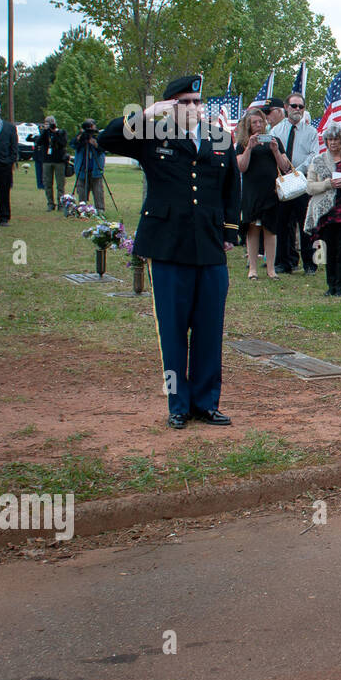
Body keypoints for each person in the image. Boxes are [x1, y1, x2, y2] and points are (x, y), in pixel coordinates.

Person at [97, 74, 242, 429]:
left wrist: (229, 232)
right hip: (168, 245)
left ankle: (206, 402)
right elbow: (107, 138)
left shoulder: (220, 138)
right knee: (174, 331)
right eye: (184, 102)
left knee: (209, 329)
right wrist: (148, 113)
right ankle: (178, 404)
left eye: (197, 101)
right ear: (169, 106)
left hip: (209, 245)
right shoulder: (150, 135)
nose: (192, 107)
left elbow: (231, 188)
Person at [304, 122, 341, 296]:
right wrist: (327, 184)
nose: (333, 143)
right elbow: (309, 187)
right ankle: (331, 286)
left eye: (336, 139)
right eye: (329, 139)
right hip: (325, 214)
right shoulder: (318, 161)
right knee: (327, 250)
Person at [236, 108, 289, 280]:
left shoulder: (275, 140)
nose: (258, 125)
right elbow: (241, 167)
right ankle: (252, 268)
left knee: (270, 230)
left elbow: (285, 167)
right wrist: (249, 148)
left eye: (261, 122)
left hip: (271, 192)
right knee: (253, 229)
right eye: (254, 123)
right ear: (248, 126)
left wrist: (275, 150)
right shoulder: (242, 143)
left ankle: (271, 269)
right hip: (252, 193)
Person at [269, 93, 319, 275]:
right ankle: (285, 262)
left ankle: (310, 263)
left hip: (302, 182)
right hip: (283, 183)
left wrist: (296, 169)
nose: (297, 110)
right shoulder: (275, 131)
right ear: (286, 107)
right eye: (294, 106)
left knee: (306, 224)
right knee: (282, 224)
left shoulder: (311, 132)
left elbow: (314, 155)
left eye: (301, 107)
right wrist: (285, 170)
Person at [71, 119, 105, 212]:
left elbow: (103, 149)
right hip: (82, 169)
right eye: (88, 126)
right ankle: (83, 209)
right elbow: (73, 145)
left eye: (91, 126)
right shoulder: (81, 136)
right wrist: (80, 138)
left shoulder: (99, 136)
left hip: (95, 169)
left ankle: (100, 209)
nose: (90, 128)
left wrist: (95, 144)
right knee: (81, 189)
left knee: (98, 190)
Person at [38, 116, 69, 211]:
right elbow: (39, 142)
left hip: (59, 161)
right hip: (47, 160)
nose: (49, 124)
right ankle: (50, 203)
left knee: (60, 184)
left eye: (50, 122)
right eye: (47, 122)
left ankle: (61, 203)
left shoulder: (61, 132)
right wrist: (45, 131)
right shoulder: (45, 133)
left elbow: (63, 143)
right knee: (47, 183)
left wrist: (55, 133)